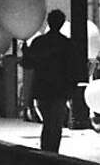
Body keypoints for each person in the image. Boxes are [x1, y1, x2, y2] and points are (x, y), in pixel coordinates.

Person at [21, 9, 79, 153]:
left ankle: (46, 151)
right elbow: (73, 68)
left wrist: (26, 51)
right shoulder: (67, 44)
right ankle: (53, 152)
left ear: (49, 22)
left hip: (42, 89)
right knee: (56, 124)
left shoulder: (39, 42)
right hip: (60, 90)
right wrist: (71, 88)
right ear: (61, 24)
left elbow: (28, 63)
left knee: (47, 122)